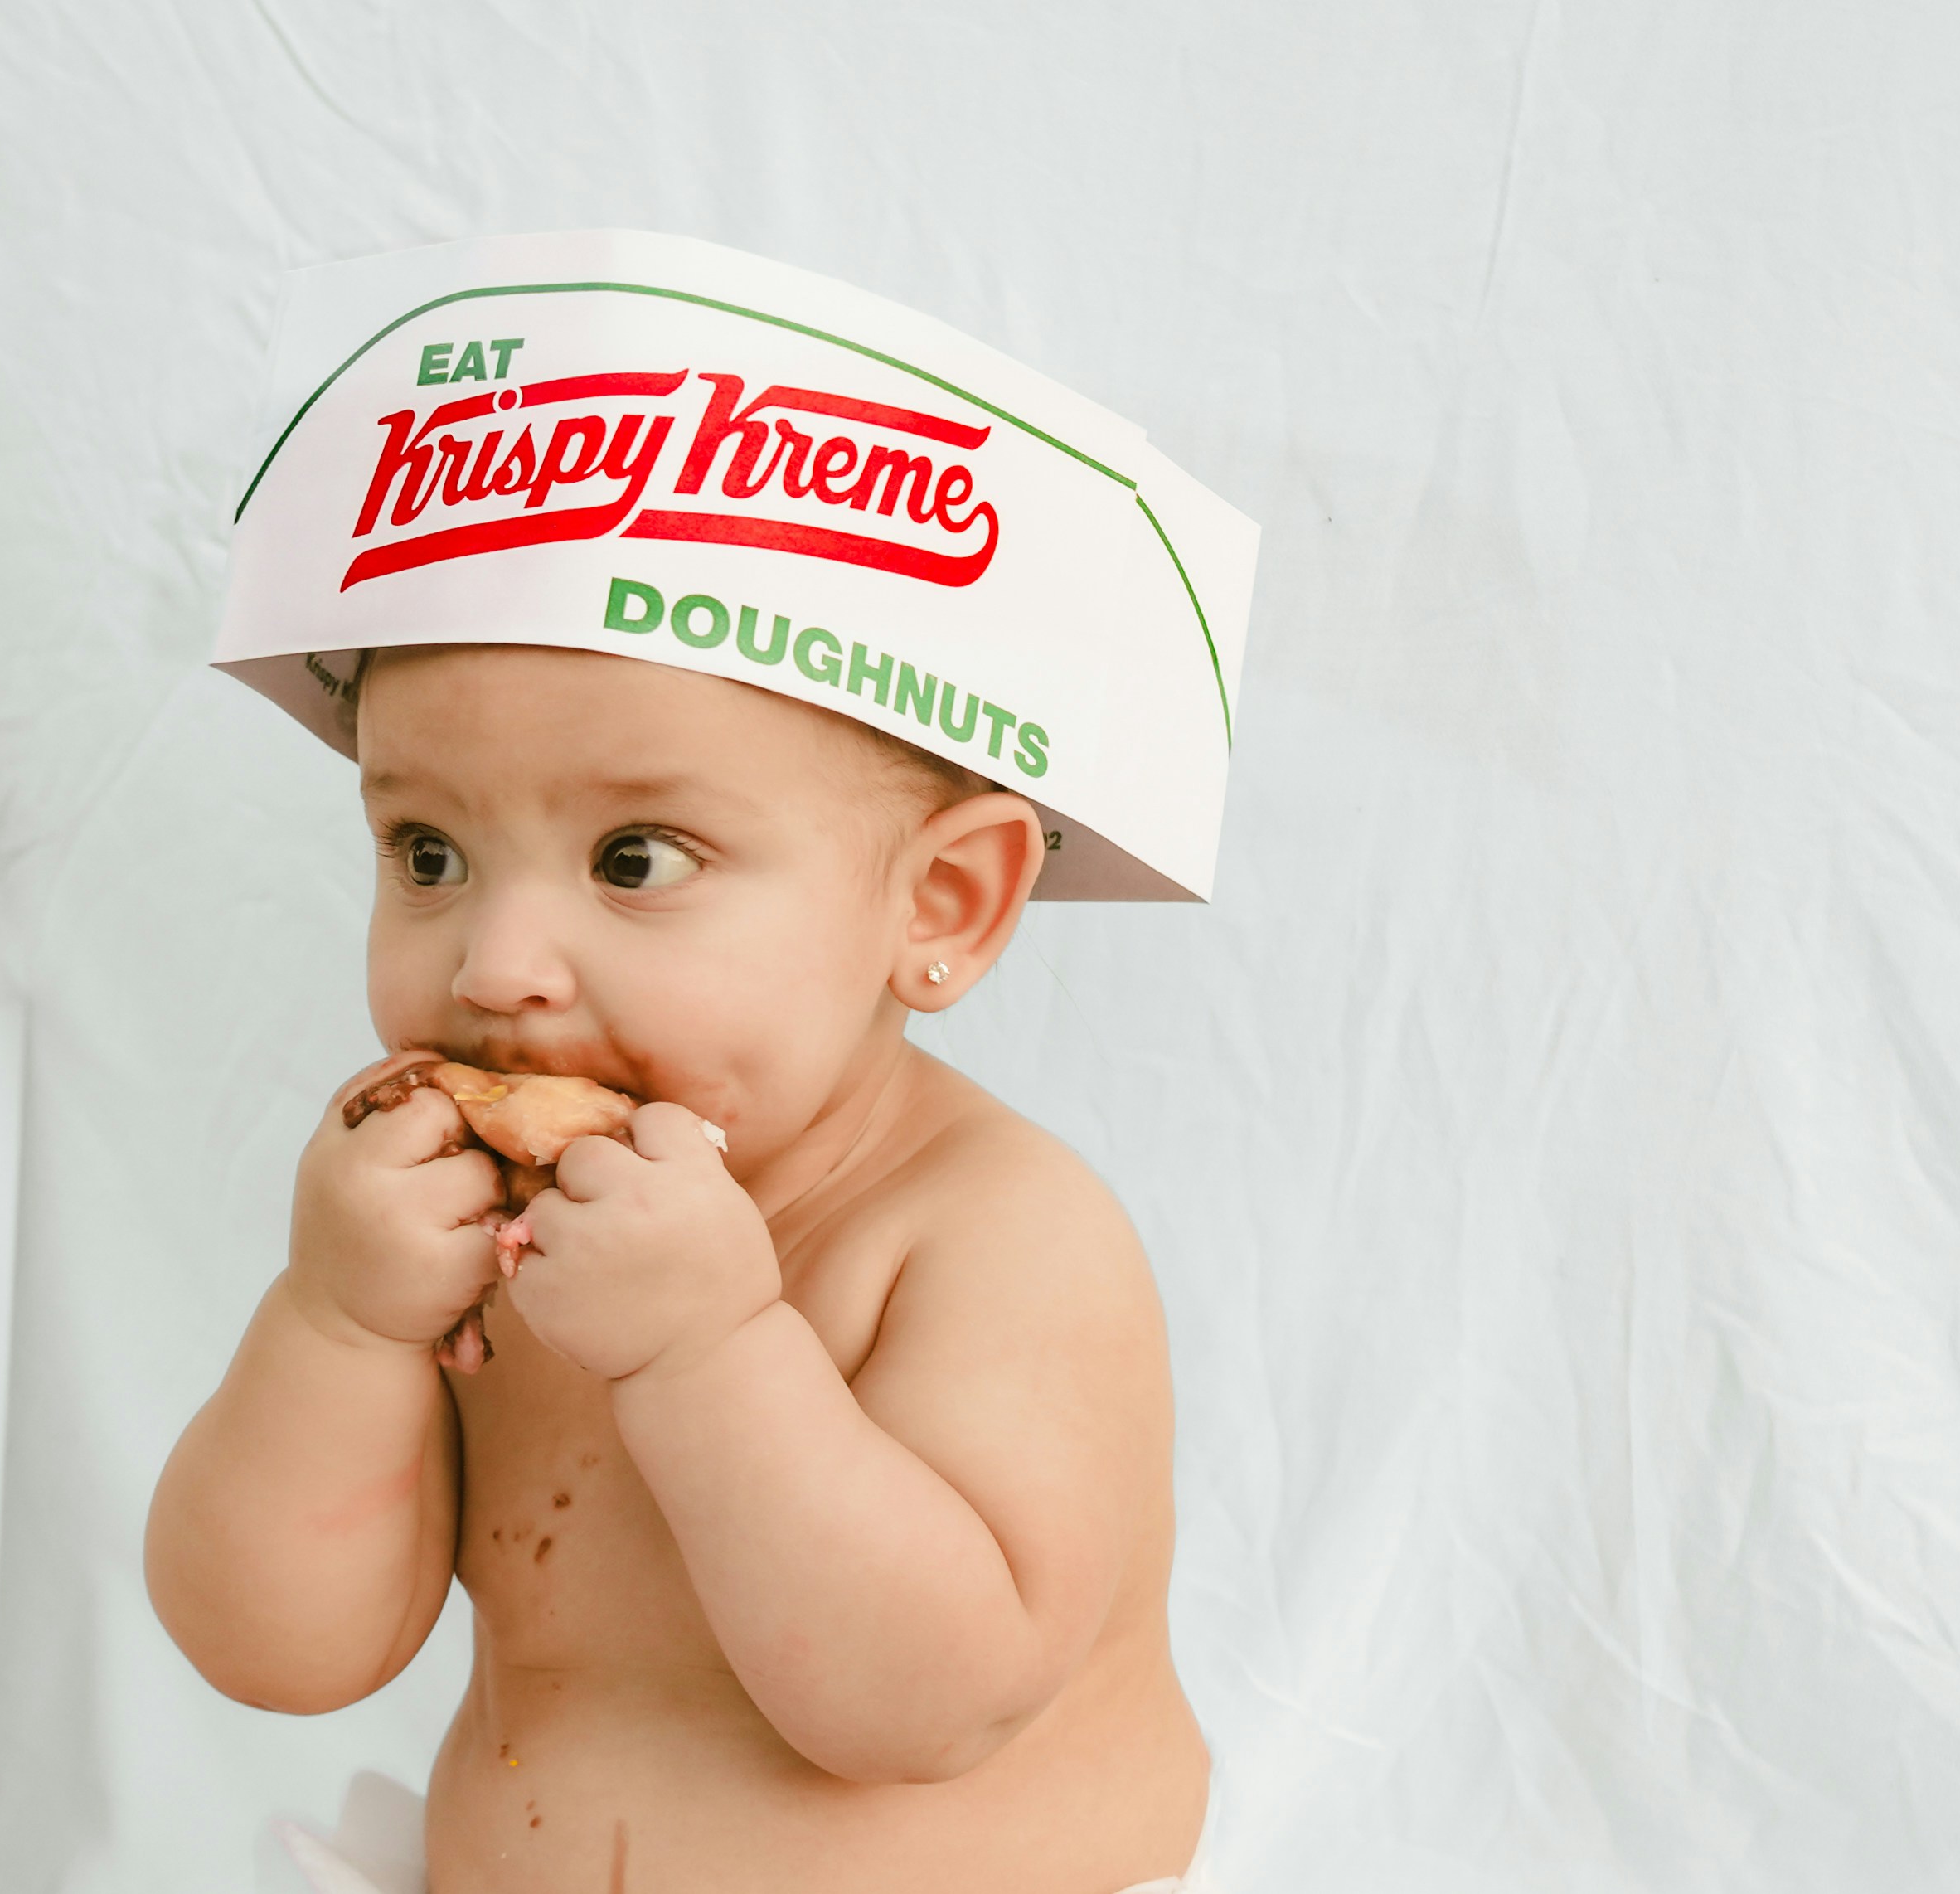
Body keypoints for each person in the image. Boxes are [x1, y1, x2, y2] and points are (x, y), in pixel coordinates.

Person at [145, 230, 1256, 1892]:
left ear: (940, 903)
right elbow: (276, 1646)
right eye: (429, 852)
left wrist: (710, 1347)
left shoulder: (995, 1236)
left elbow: (925, 1701)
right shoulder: (491, 1236)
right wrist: (334, 1320)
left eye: (635, 859)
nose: (495, 964)